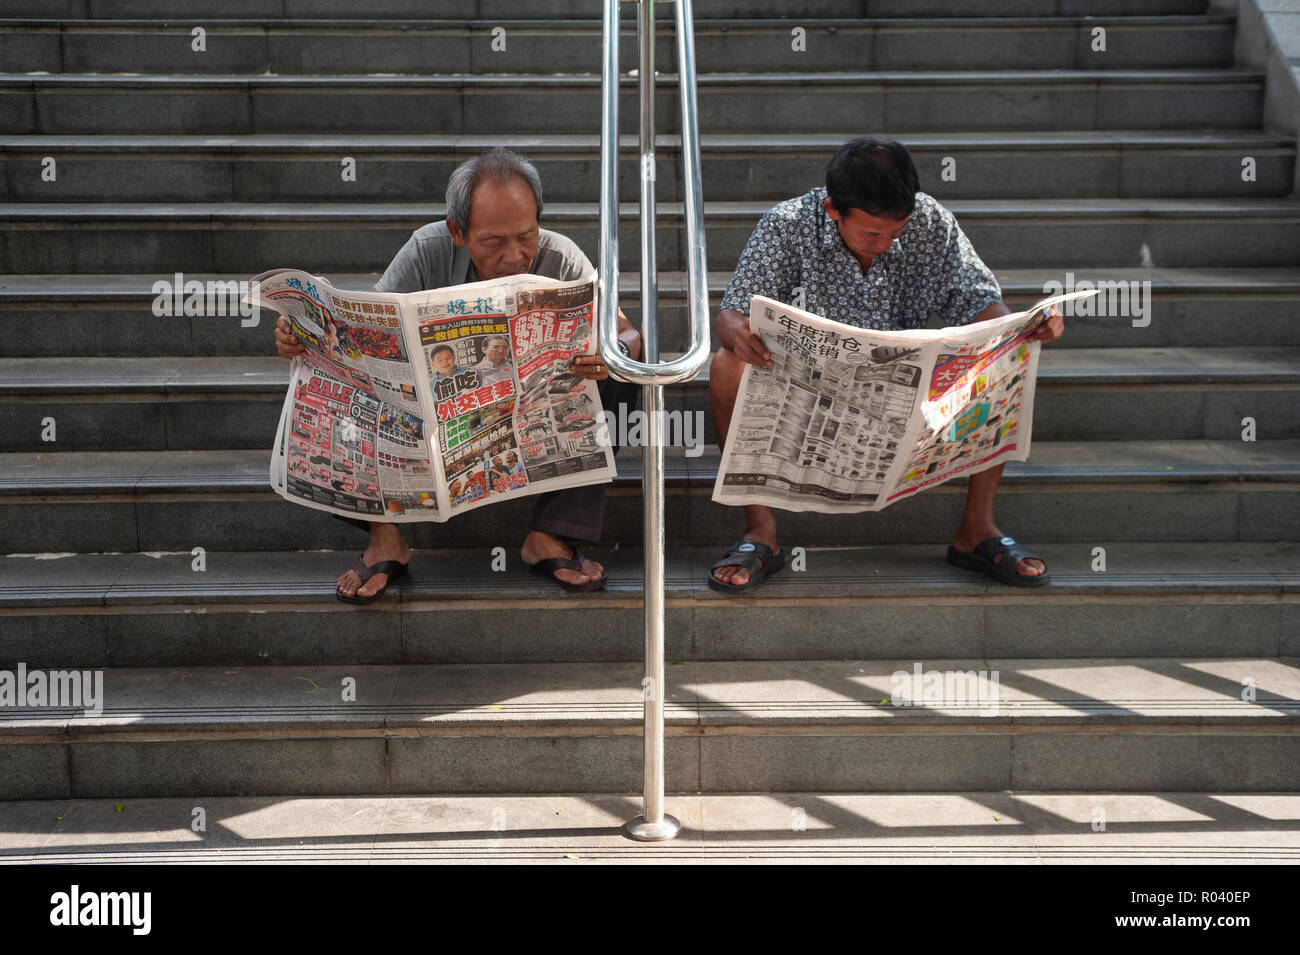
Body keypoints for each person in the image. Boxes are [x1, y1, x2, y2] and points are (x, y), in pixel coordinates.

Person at [275, 147, 643, 601]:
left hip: (527, 417)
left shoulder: (561, 257)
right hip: (433, 425)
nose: (515, 256)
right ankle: (385, 537)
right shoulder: (428, 250)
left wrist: (616, 351)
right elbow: (362, 329)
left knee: (626, 376)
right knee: (338, 382)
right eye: (493, 242)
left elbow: (627, 332)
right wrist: (303, 338)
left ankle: (551, 535)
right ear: (458, 231)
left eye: (527, 235)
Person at [707, 137, 1065, 593]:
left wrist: (1024, 326)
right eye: (872, 234)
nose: (885, 244)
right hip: (805, 395)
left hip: (902, 396)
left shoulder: (931, 222)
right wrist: (739, 335)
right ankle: (761, 532)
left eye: (896, 232)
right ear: (834, 209)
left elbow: (979, 303)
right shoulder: (787, 224)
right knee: (725, 366)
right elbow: (729, 315)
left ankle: (977, 530)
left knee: (1004, 353)